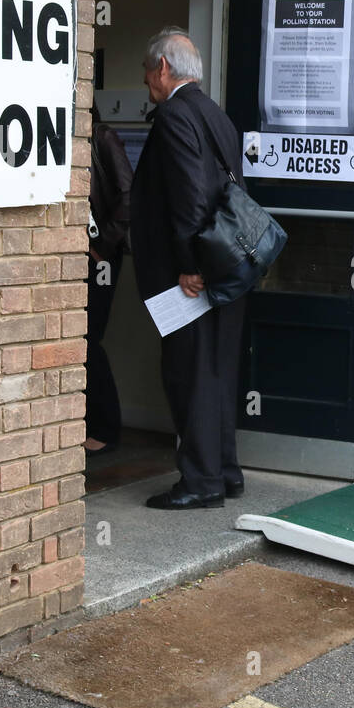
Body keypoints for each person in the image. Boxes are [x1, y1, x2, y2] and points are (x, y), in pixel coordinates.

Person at [129, 27, 246, 509]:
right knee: (215, 371)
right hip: (224, 267)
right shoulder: (215, 114)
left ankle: (200, 482)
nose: (145, 81)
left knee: (188, 373)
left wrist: (188, 265)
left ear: (162, 69)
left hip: (192, 276)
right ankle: (224, 471)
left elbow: (189, 196)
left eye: (145, 71)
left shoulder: (174, 114)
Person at [84, 105, 133, 457]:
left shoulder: (101, 136)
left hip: (99, 256)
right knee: (81, 339)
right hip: (78, 254)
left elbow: (128, 198)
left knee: (89, 339)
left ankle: (104, 428)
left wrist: (100, 247)